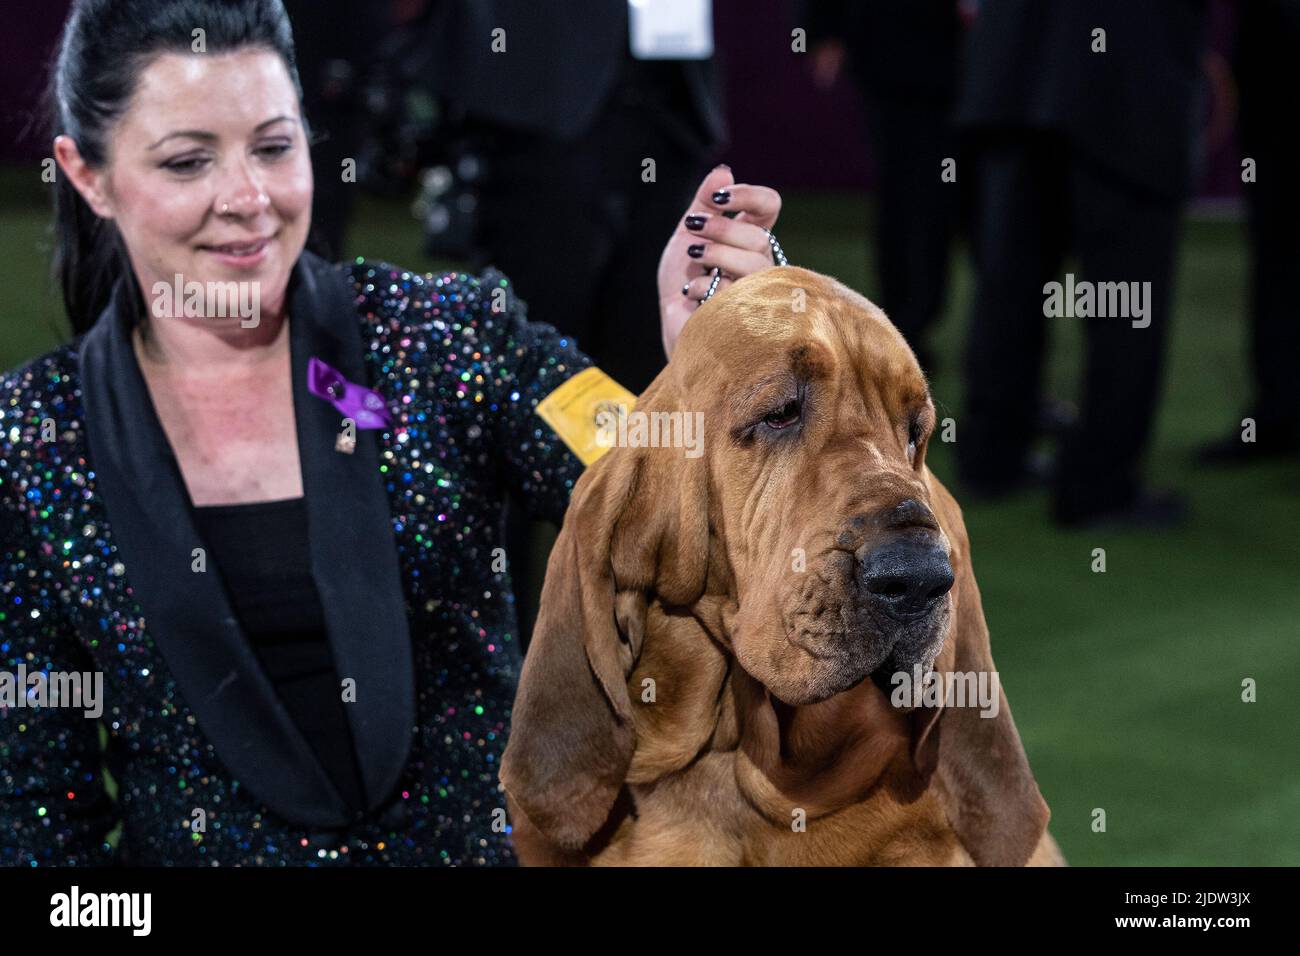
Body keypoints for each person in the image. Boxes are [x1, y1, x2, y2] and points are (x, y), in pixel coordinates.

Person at [0, 0, 782, 866]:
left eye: (274, 146)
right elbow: (38, 818)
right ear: (88, 175)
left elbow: (683, 526)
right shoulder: (34, 441)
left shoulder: (451, 337)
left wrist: (716, 367)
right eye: (188, 162)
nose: (249, 200)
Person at [955, 0, 1206, 528]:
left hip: (1015, 70)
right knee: (1125, 298)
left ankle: (992, 456)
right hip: (1126, 78)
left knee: (1010, 280)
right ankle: (1099, 485)